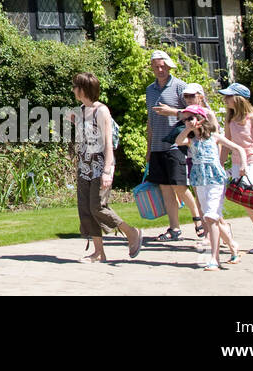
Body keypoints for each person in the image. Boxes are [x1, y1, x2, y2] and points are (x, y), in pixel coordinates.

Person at [72, 72, 142, 262]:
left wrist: (107, 170)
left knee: (98, 207)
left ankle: (131, 233)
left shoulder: (101, 111)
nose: (73, 90)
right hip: (84, 166)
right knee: (86, 209)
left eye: (75, 86)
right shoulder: (81, 110)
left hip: (99, 166)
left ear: (83, 89)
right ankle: (99, 252)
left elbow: (108, 143)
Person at [176, 107, 244, 270]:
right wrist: (188, 129)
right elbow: (178, 141)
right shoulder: (191, 139)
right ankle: (233, 245)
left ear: (201, 118)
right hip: (200, 179)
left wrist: (243, 165)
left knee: (212, 217)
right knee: (210, 217)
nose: (188, 121)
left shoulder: (214, 137)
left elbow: (239, 148)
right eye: (185, 119)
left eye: (191, 118)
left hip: (215, 179)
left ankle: (215, 258)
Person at [153, 81, 214, 238]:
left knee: (209, 200)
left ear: (200, 96)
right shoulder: (188, 114)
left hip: (208, 163)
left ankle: (215, 231)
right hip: (193, 160)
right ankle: (207, 232)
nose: (187, 98)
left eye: (191, 96)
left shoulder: (206, 113)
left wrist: (171, 112)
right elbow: (181, 137)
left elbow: (215, 137)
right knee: (200, 198)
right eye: (185, 96)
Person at [220, 83, 253, 254]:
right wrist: (219, 165)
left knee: (251, 202)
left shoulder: (252, 118)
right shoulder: (229, 119)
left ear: (238, 99)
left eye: (228, 97)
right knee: (243, 201)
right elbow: (227, 144)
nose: (225, 99)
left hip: (252, 163)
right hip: (237, 164)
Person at [145, 50, 193, 240]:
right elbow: (150, 120)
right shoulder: (150, 90)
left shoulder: (180, 86)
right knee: (165, 188)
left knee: (179, 186)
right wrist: (148, 149)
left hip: (177, 144)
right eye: (156, 66)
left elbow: (193, 113)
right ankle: (174, 228)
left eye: (163, 66)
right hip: (157, 145)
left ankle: (199, 221)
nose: (160, 69)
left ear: (169, 66)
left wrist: (172, 112)